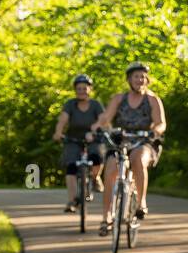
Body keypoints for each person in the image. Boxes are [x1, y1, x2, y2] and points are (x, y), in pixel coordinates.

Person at [93, 61, 165, 235]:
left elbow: (161, 123)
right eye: (136, 77)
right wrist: (96, 128)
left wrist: (155, 131)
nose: (139, 80)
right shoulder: (119, 98)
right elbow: (106, 118)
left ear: (147, 79)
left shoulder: (152, 99)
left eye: (142, 77)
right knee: (111, 169)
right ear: (129, 80)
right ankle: (107, 217)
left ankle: (141, 203)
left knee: (138, 159)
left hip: (144, 140)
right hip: (121, 140)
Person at [52, 74, 106, 214]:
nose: (81, 91)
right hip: (73, 139)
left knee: (97, 157)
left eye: (84, 88)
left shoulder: (96, 104)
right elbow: (63, 120)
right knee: (71, 166)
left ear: (90, 89)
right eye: (79, 88)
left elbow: (102, 120)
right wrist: (58, 132)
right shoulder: (70, 104)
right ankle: (72, 200)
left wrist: (94, 131)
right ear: (75, 90)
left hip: (93, 138)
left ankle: (95, 177)